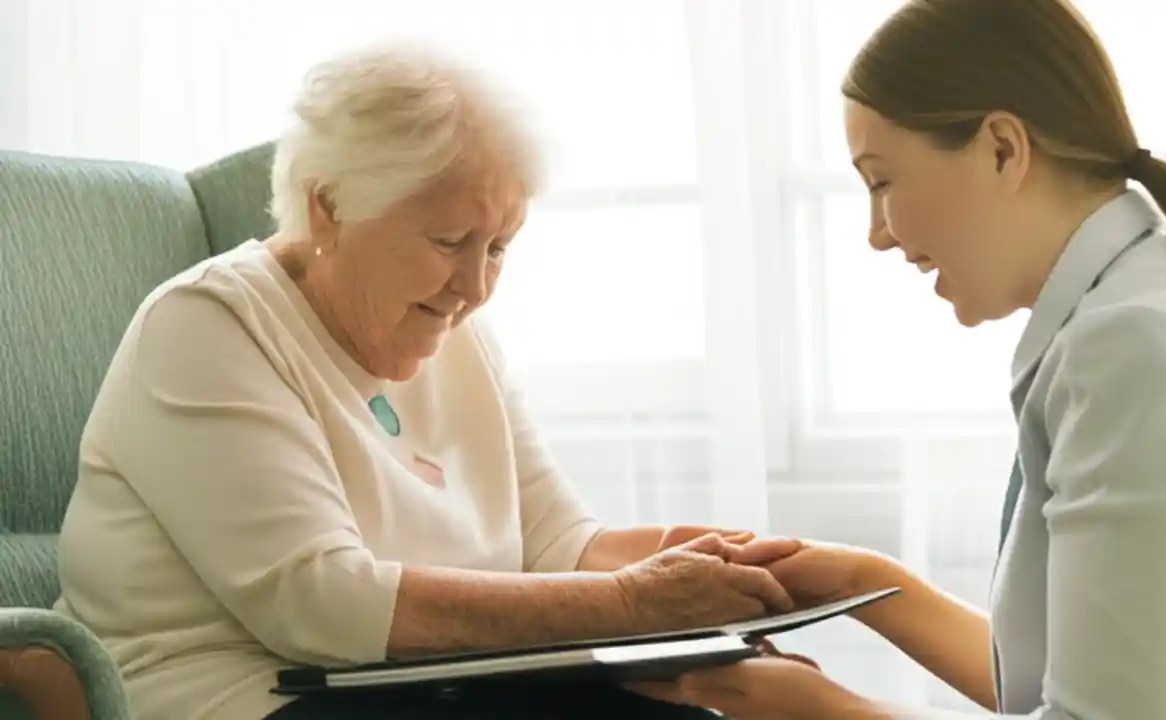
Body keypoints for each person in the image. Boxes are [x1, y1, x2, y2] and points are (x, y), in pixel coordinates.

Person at [52, 44, 802, 720]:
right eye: (450, 241)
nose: (474, 286)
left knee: (704, 709)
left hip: (428, 685)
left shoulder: (458, 335)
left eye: (501, 248)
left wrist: (721, 574)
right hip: (247, 693)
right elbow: (321, 604)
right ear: (329, 205)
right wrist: (634, 604)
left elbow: (558, 544)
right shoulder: (207, 327)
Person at [633, 0, 1166, 717]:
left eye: (881, 181)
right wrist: (867, 585)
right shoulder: (1150, 303)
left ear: (1003, 148)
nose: (877, 234)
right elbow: (1062, 687)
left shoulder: (1136, 348)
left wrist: (820, 710)